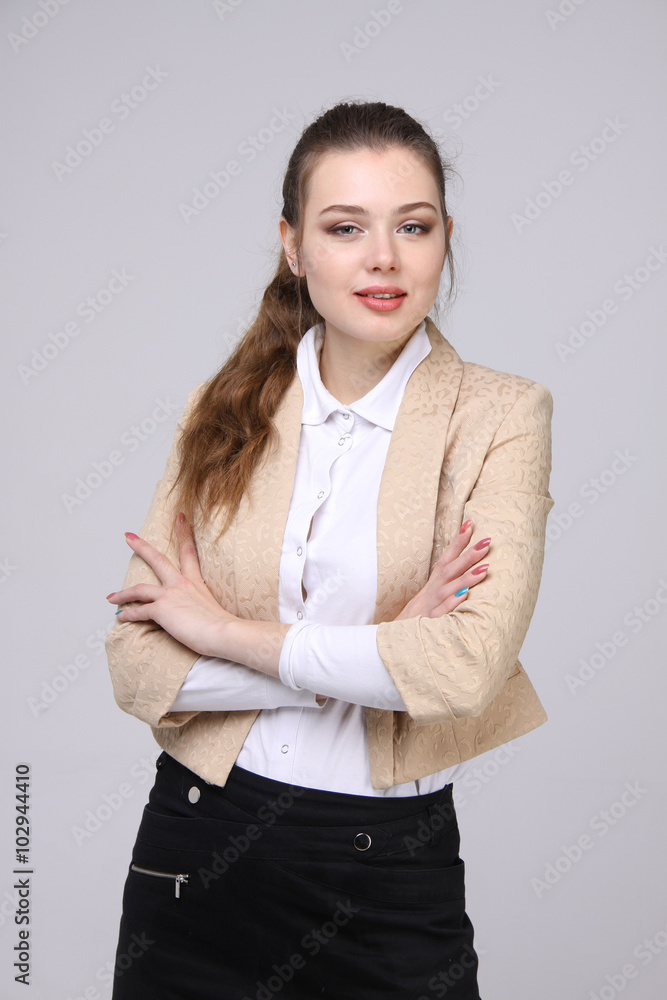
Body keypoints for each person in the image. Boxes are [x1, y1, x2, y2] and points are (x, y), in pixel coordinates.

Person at [105, 100, 554, 999]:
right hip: (195, 845)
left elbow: (463, 670)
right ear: (291, 243)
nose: (382, 258)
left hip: (386, 875)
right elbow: (138, 668)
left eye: (412, 226)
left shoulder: (503, 415)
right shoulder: (218, 410)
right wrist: (376, 652)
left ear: (443, 239)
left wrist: (224, 632)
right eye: (344, 227)